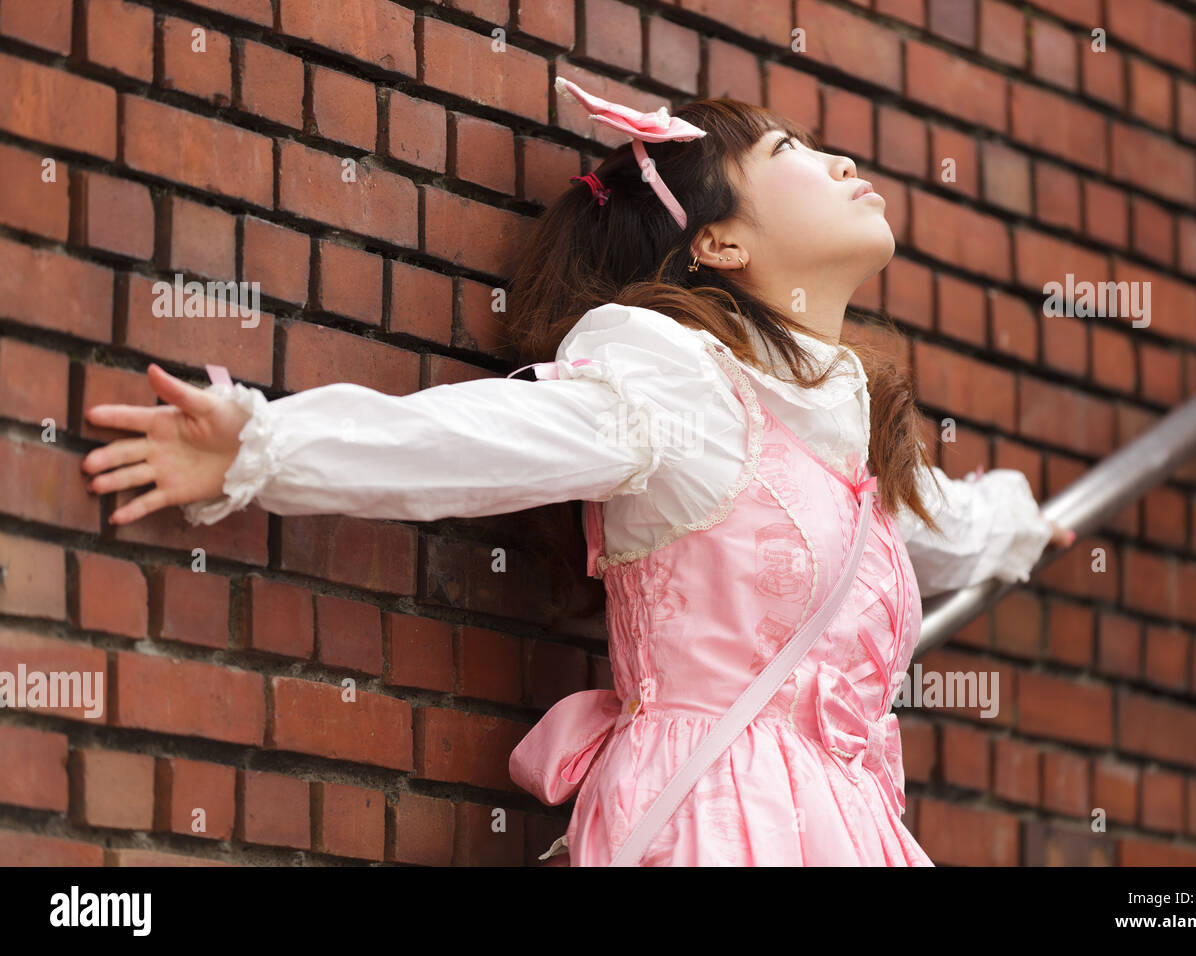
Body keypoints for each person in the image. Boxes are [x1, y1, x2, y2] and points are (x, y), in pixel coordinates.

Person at [82, 77, 1074, 866]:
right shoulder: (681, 386)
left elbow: (948, 522)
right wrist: (261, 446)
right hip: (714, 822)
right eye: (793, 154)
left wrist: (1030, 522)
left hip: (855, 826)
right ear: (719, 241)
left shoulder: (845, 435)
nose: (842, 160)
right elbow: (474, 442)